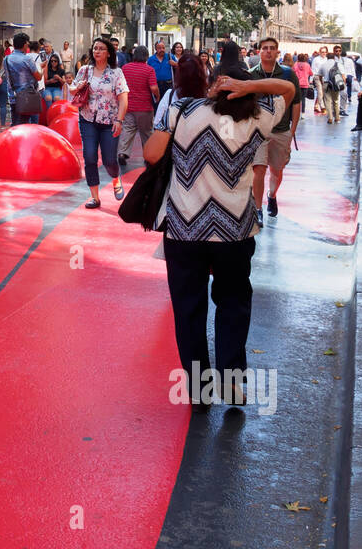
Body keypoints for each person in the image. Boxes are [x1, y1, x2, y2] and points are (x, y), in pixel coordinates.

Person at [141, 62, 297, 407]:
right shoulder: (260, 114)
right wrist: (252, 87)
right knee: (234, 303)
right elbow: (288, 89)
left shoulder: (182, 108)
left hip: (185, 230)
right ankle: (230, 380)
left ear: (214, 84)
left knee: (188, 308)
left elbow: (151, 154)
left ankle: (199, 390)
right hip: (235, 231)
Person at [68, 36, 128, 208]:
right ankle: (95, 196)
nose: (97, 51)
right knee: (90, 157)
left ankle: (116, 179)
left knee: (109, 160)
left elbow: (123, 98)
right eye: (95, 48)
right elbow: (72, 89)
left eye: (101, 49)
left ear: (108, 53)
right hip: (87, 119)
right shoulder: (85, 70)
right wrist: (77, 87)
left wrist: (120, 120)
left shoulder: (116, 73)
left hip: (110, 121)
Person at [249, 36, 301, 223]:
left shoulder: (288, 74)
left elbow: (296, 103)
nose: (268, 51)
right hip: (259, 132)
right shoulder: (252, 74)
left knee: (277, 171)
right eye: (265, 48)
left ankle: (272, 195)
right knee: (259, 170)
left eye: (272, 48)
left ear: (277, 52)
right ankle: (257, 209)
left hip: (281, 130)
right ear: (259, 52)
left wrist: (292, 131)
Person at [118, 45, 160, 167]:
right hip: (144, 107)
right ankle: (148, 156)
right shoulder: (149, 70)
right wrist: (157, 96)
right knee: (146, 132)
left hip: (128, 105)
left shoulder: (125, 68)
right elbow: (153, 87)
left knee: (128, 129)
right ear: (146, 56)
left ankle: (122, 153)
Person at [4, 33, 44, 124]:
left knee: (15, 123)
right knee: (24, 125)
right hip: (26, 97)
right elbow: (38, 77)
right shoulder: (27, 59)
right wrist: (41, 68)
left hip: (12, 96)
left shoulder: (6, 59)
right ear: (25, 44)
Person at [318, 46, 344, 124]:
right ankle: (337, 118)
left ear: (327, 57)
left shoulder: (323, 65)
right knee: (336, 101)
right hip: (336, 84)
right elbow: (343, 76)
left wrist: (322, 83)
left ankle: (330, 118)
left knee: (328, 101)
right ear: (334, 57)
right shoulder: (338, 64)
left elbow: (320, 76)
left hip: (326, 84)